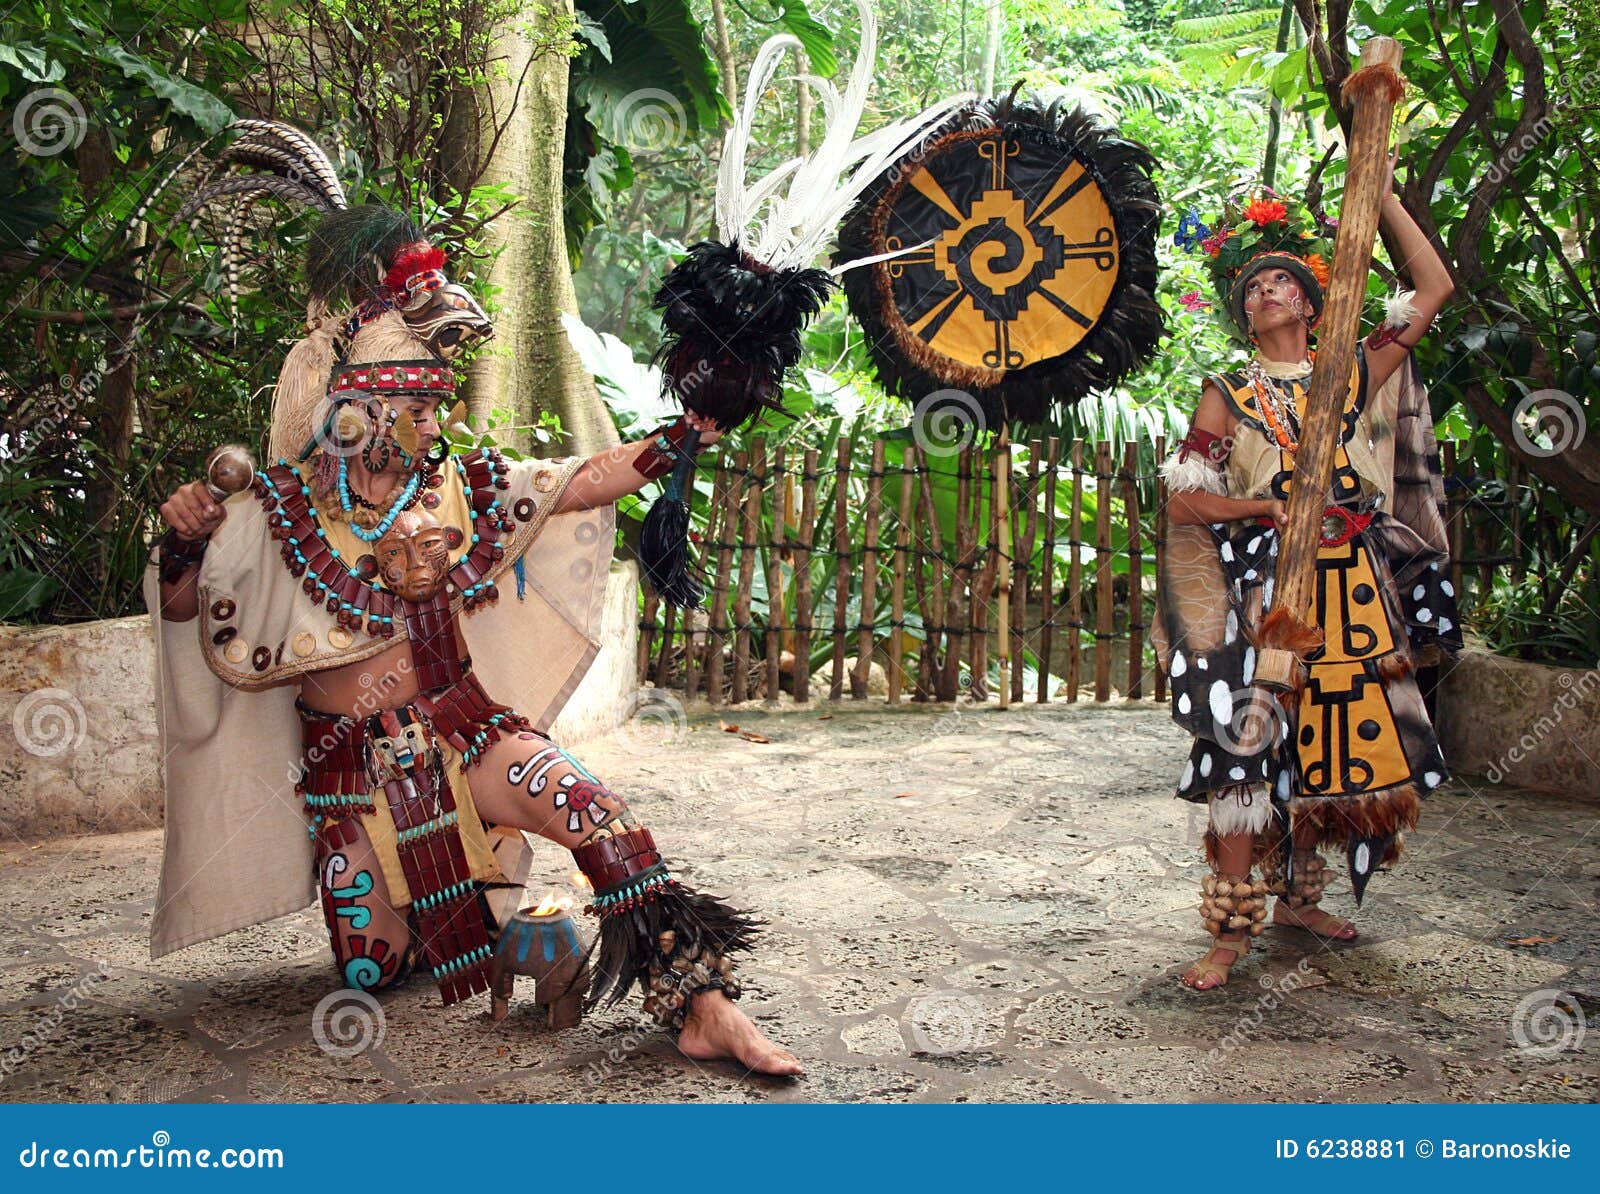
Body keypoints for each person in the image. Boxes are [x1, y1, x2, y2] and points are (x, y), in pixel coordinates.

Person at [146, 188, 801, 1075]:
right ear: (359, 413)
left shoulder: (459, 486)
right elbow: (188, 607)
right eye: (418, 409)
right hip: (350, 775)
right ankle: (476, 913)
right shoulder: (277, 505)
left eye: (437, 408)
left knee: (597, 814)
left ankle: (700, 1002)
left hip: (467, 730)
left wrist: (681, 435)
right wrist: (182, 538)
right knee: (377, 968)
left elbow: (577, 481)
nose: (435, 425)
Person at [1157, 167, 1459, 989]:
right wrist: (1258, 511)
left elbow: (1434, 286)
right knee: (1245, 750)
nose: (1267, 292)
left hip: (1352, 585)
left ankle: (1297, 896)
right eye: (1254, 288)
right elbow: (1185, 505)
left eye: (1284, 280)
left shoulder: (1353, 371)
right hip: (1266, 592)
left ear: (1312, 303)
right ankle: (1229, 927)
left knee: (1330, 749)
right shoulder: (1228, 393)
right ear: (1243, 313)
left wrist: (1383, 196)